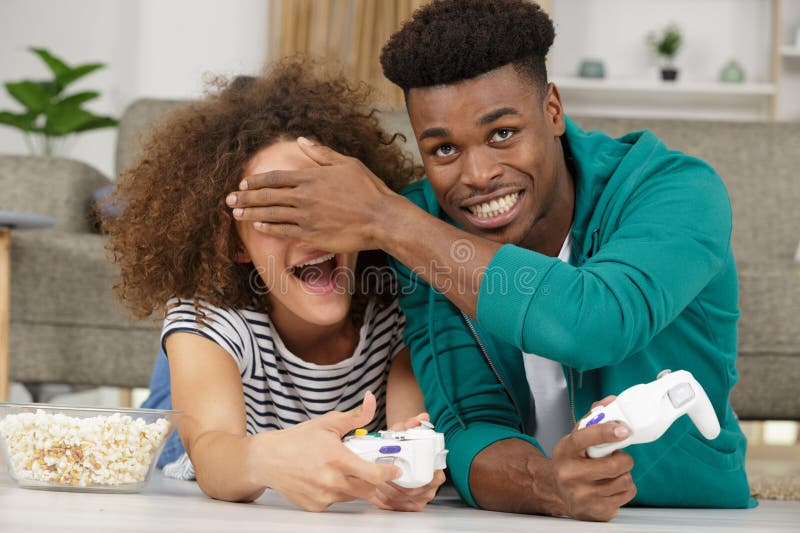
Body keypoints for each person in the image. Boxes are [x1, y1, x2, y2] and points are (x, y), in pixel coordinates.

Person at [224, 0, 754, 522]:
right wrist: (551, 485)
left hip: (691, 515)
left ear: (552, 109)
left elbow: (594, 322)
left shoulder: (676, 191)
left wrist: (388, 219)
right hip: (518, 517)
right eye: (444, 150)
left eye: (502, 134)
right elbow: (468, 423)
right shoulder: (422, 225)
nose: (477, 175)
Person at [103, 58, 445, 512]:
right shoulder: (209, 319)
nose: (308, 232)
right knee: (171, 405)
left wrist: (407, 468)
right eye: (274, 214)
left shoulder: (399, 305)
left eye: (323, 204)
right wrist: (263, 458)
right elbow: (211, 453)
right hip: (219, 393)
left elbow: (408, 428)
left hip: (264, 340)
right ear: (235, 243)